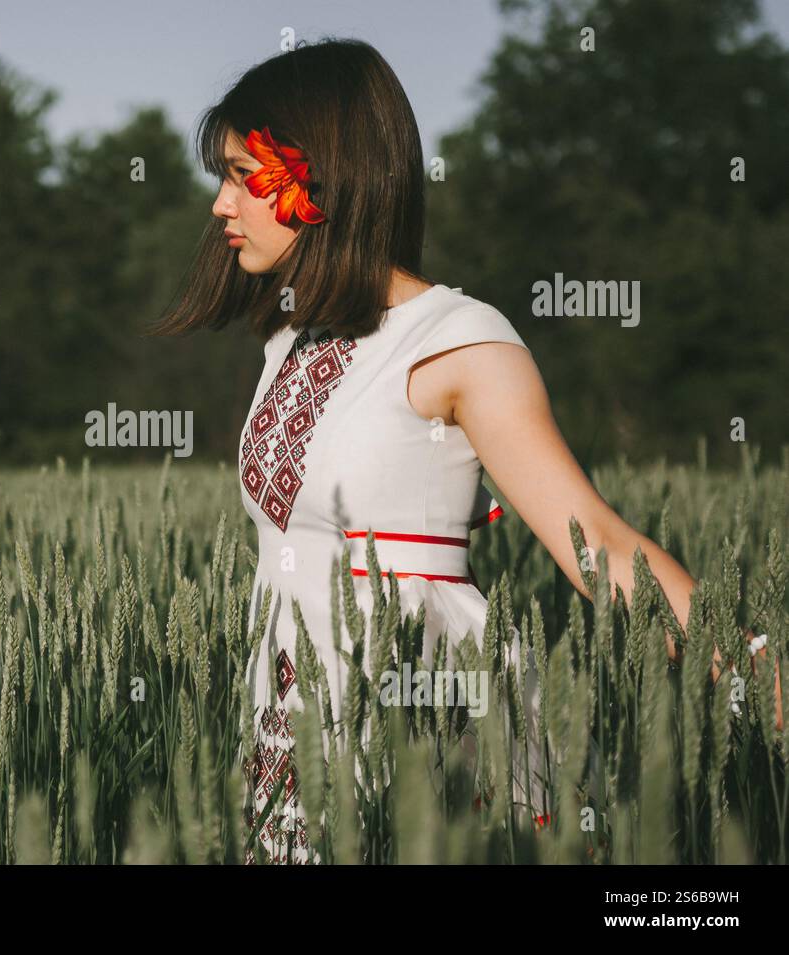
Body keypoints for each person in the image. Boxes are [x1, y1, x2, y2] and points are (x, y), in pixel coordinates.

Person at [149, 37, 781, 865]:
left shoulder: (459, 340)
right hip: (290, 720)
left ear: (321, 173)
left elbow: (598, 542)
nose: (221, 204)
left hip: (419, 723)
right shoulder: (289, 338)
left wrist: (754, 674)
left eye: (240, 173)